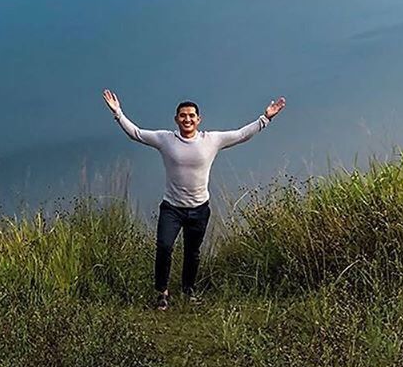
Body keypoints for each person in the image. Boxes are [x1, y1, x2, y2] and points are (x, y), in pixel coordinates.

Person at [103, 88, 286, 308]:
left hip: (199, 209)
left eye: (191, 115)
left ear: (199, 119)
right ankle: (162, 292)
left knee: (193, 252)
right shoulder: (165, 139)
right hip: (171, 208)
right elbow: (137, 133)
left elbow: (240, 135)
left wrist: (265, 118)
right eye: (183, 115)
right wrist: (118, 113)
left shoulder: (212, 140)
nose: (187, 119)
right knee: (163, 247)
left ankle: (188, 290)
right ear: (176, 119)